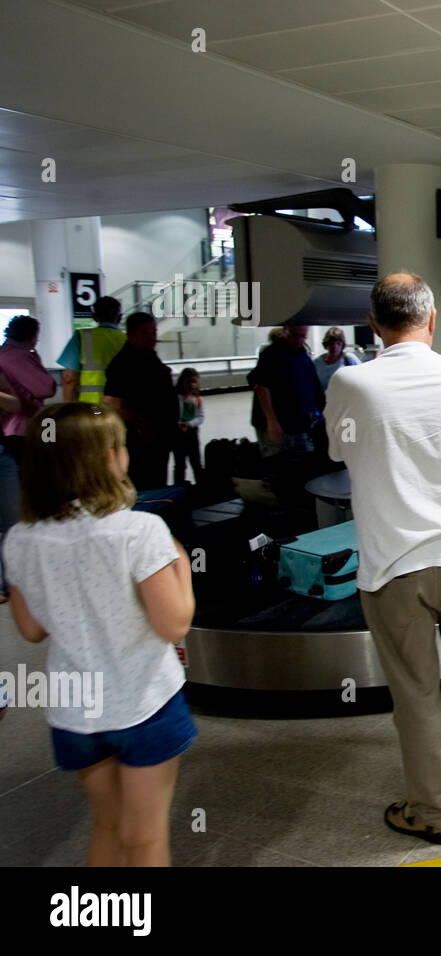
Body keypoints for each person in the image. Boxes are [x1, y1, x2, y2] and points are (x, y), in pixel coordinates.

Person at [325, 273, 441, 846]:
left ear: (374, 325)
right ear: (432, 320)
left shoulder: (351, 382)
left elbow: (339, 450)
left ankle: (432, 813)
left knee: (415, 694)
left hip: (392, 567)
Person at [3, 402, 196, 866]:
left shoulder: (20, 539)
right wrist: (182, 565)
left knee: (107, 825)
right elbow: (173, 624)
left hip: (74, 712)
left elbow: (30, 629)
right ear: (107, 457)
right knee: (145, 837)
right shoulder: (141, 531)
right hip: (144, 702)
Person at [0, 315, 57, 603]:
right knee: (27, 501)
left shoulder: (7, 355)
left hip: (14, 434)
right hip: (20, 433)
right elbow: (46, 387)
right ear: (31, 334)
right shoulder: (16, 357)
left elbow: (18, 398)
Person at [103, 313, 176, 491]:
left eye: (154, 332)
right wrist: (138, 423)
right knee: (144, 482)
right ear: (131, 334)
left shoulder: (150, 357)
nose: (153, 338)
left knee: (158, 481)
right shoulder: (122, 364)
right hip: (141, 438)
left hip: (160, 434)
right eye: (146, 333)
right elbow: (111, 402)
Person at [247, 323, 324, 458]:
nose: (299, 340)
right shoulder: (271, 354)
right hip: (276, 425)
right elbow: (261, 387)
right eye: (295, 336)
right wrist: (272, 421)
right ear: (286, 331)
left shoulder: (303, 356)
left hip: (299, 425)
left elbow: (315, 389)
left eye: (303, 337)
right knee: (280, 465)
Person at [57, 295, 127, 403]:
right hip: (120, 408)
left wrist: (68, 408)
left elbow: (70, 379)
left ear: (94, 316)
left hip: (90, 408)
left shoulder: (82, 337)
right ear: (120, 317)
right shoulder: (128, 340)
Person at [172, 368, 204, 485]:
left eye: (194, 382)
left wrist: (189, 424)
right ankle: (178, 486)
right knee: (180, 464)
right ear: (182, 382)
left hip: (192, 434)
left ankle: (201, 485)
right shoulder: (176, 398)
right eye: (188, 382)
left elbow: (200, 417)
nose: (191, 385)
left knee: (196, 462)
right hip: (177, 435)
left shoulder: (198, 400)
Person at [313, 326, 359, 392]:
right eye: (331, 343)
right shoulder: (317, 363)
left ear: (342, 345)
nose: (334, 347)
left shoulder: (349, 359)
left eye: (338, 344)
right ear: (326, 344)